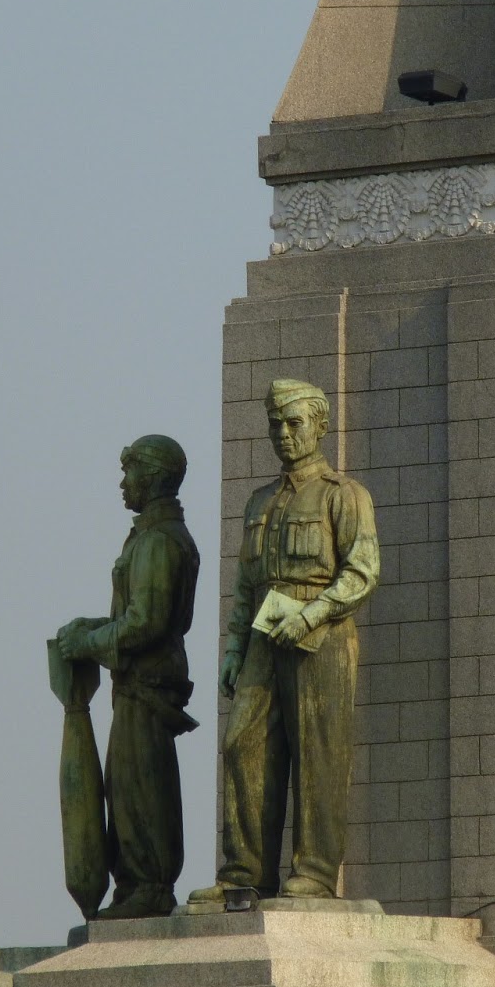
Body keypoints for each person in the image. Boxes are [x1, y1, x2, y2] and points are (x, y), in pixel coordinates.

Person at [189, 379, 379, 902]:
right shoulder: (260, 501)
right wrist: (232, 649)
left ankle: (315, 872)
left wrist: (314, 614)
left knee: (318, 752)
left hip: (323, 638)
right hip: (264, 635)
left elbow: (362, 572)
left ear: (320, 426)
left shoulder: (344, 496)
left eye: (294, 423)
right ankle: (244, 874)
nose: (284, 434)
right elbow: (246, 585)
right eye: (276, 424)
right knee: (241, 745)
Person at [56, 434, 200, 919]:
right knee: (124, 786)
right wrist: (91, 627)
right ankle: (133, 886)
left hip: (147, 690)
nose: (123, 483)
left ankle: (150, 887)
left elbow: (146, 623)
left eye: (130, 471)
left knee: (142, 788)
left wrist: (87, 644)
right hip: (134, 689)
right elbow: (133, 616)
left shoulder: (159, 541)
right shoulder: (147, 537)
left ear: (155, 477)